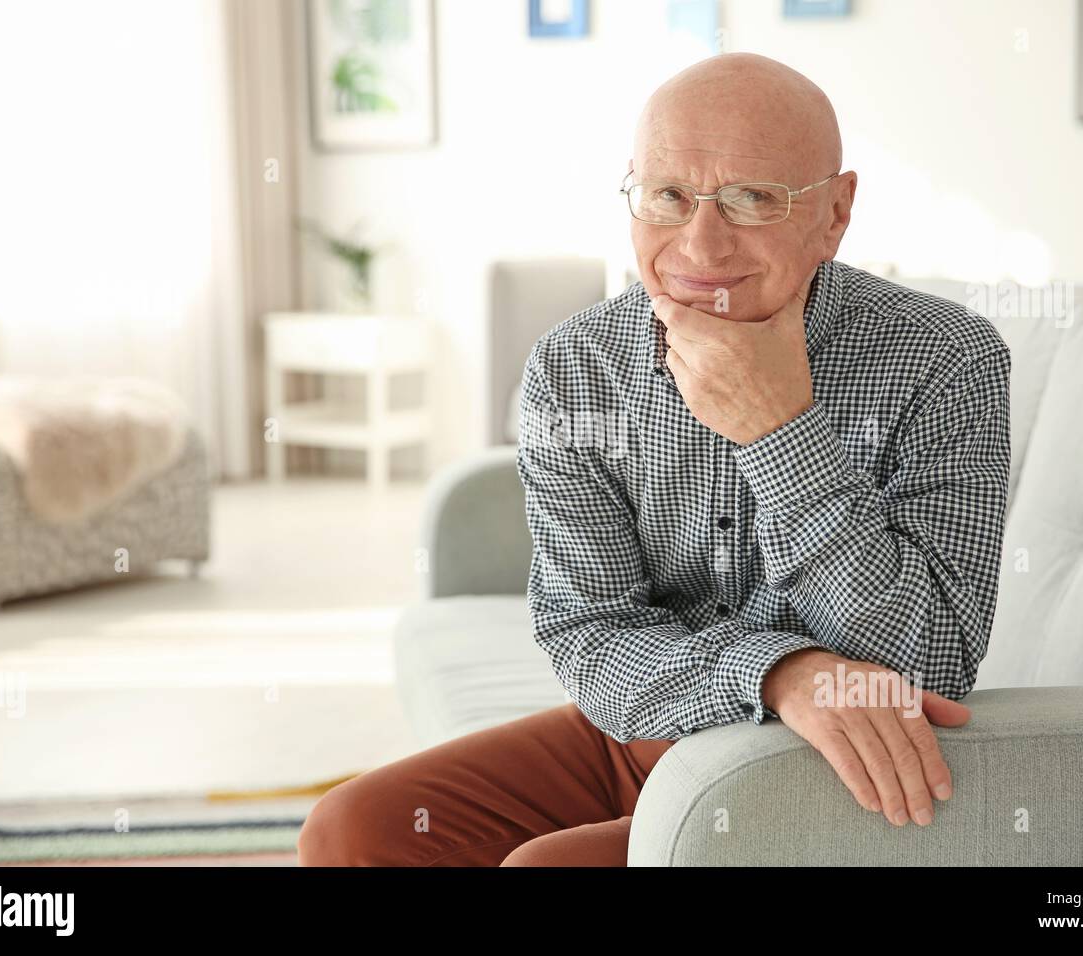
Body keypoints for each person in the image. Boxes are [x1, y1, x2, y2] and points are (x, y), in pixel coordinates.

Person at [297, 51, 1011, 867]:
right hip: (657, 725)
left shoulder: (947, 358)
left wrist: (779, 430)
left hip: (843, 763)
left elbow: (931, 662)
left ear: (836, 213)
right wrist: (777, 673)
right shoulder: (576, 369)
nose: (702, 243)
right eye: (669, 196)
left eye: (751, 198)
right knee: (351, 831)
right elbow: (589, 634)